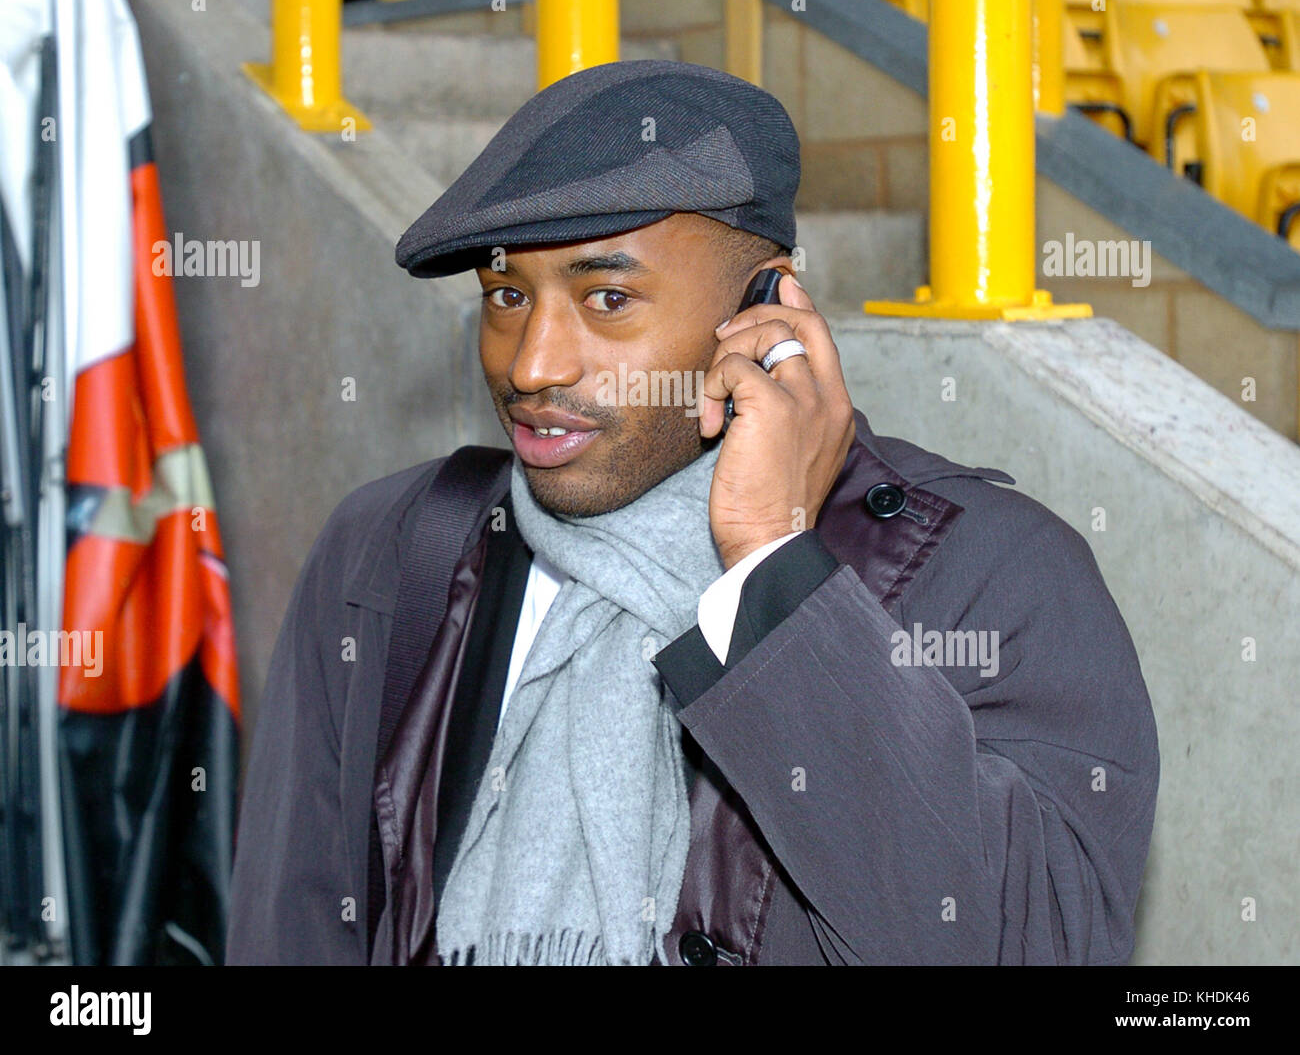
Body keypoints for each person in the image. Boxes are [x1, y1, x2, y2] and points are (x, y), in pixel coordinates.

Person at [226, 59, 1159, 966]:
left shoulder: (991, 575)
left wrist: (774, 574)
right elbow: (293, 927)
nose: (532, 364)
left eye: (608, 297)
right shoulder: (390, 549)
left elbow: (1022, 945)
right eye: (507, 296)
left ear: (767, 306)